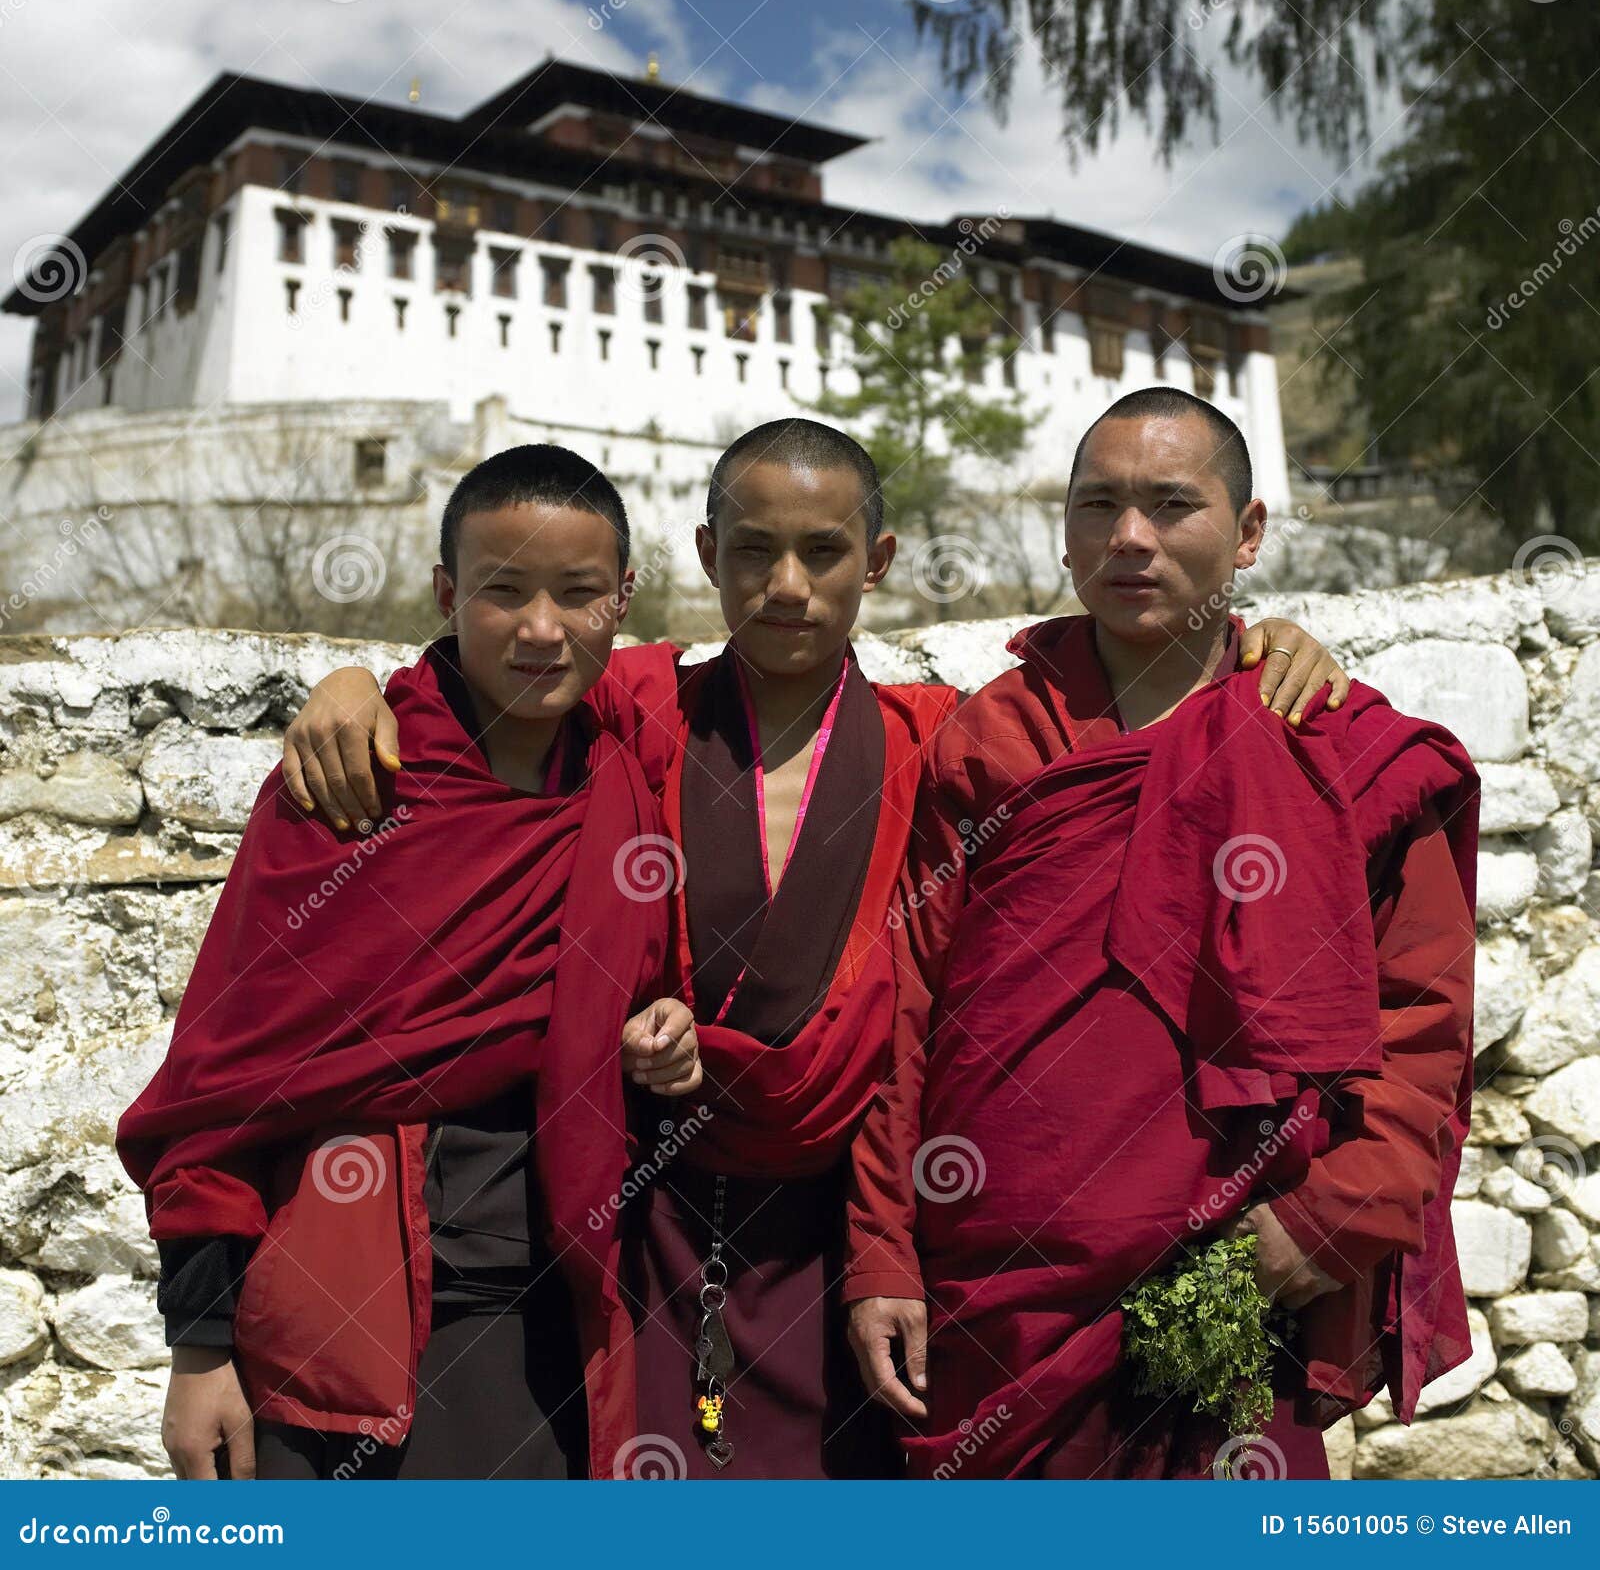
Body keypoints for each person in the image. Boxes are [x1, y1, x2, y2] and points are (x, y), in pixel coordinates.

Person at [281, 416, 1352, 1478]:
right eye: (752, 549)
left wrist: (1265, 642)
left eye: (824, 552)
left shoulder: (936, 738)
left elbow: (943, 991)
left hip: (845, 1229)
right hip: (651, 1214)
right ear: (707, 556)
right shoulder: (641, 708)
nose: (786, 584)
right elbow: (510, 667)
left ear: (876, 562)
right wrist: (362, 687)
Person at [845, 387, 1478, 1479]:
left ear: (1246, 532)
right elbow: (908, 1002)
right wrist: (880, 1246)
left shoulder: (1333, 745)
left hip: (1235, 1267)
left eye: (1171, 504)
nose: (1128, 537)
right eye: (1098, 504)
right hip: (998, 1283)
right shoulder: (993, 739)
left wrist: (1329, 1217)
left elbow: (1423, 1021)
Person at [118, 446, 698, 1481]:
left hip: (553, 1307)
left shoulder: (630, 759)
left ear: (622, 599)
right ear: (445, 593)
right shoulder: (347, 786)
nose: (539, 628)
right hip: (342, 1317)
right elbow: (218, 1081)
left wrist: (670, 1033)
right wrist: (198, 1346)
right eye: (502, 590)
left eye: (577, 594)